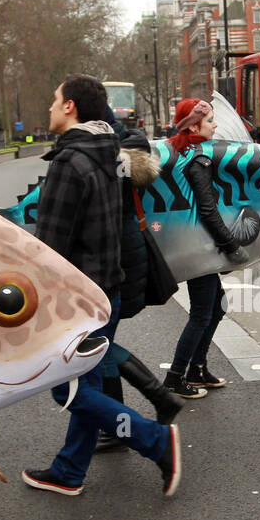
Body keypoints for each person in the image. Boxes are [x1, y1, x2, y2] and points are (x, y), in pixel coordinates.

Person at [22, 74, 181, 498]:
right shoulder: (109, 154)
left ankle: (154, 440)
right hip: (106, 289)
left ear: (70, 106)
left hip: (76, 300)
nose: (51, 107)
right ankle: (69, 470)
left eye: (55, 100)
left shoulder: (69, 163)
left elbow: (49, 250)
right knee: (86, 385)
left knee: (67, 389)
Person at [92, 106, 182, 452]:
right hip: (118, 250)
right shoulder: (108, 148)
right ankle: (132, 414)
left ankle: (150, 404)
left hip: (118, 253)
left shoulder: (117, 150)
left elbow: (132, 173)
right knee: (99, 340)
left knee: (97, 341)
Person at [162, 99, 250, 399]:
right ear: (195, 126)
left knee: (216, 307)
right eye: (210, 120)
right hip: (199, 248)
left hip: (198, 246)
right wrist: (232, 246)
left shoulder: (185, 152)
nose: (215, 125)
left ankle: (197, 368)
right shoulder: (197, 160)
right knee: (202, 312)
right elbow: (208, 211)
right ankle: (175, 377)